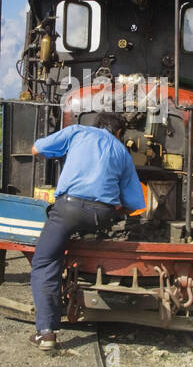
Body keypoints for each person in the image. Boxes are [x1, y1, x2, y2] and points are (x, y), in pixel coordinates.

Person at [28, 113, 145, 350]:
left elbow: (35, 149)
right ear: (119, 133)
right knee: (95, 226)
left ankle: (46, 332)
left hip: (68, 209)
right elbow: (135, 202)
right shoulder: (122, 152)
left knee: (44, 262)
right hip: (101, 216)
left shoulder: (77, 132)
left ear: (97, 124)